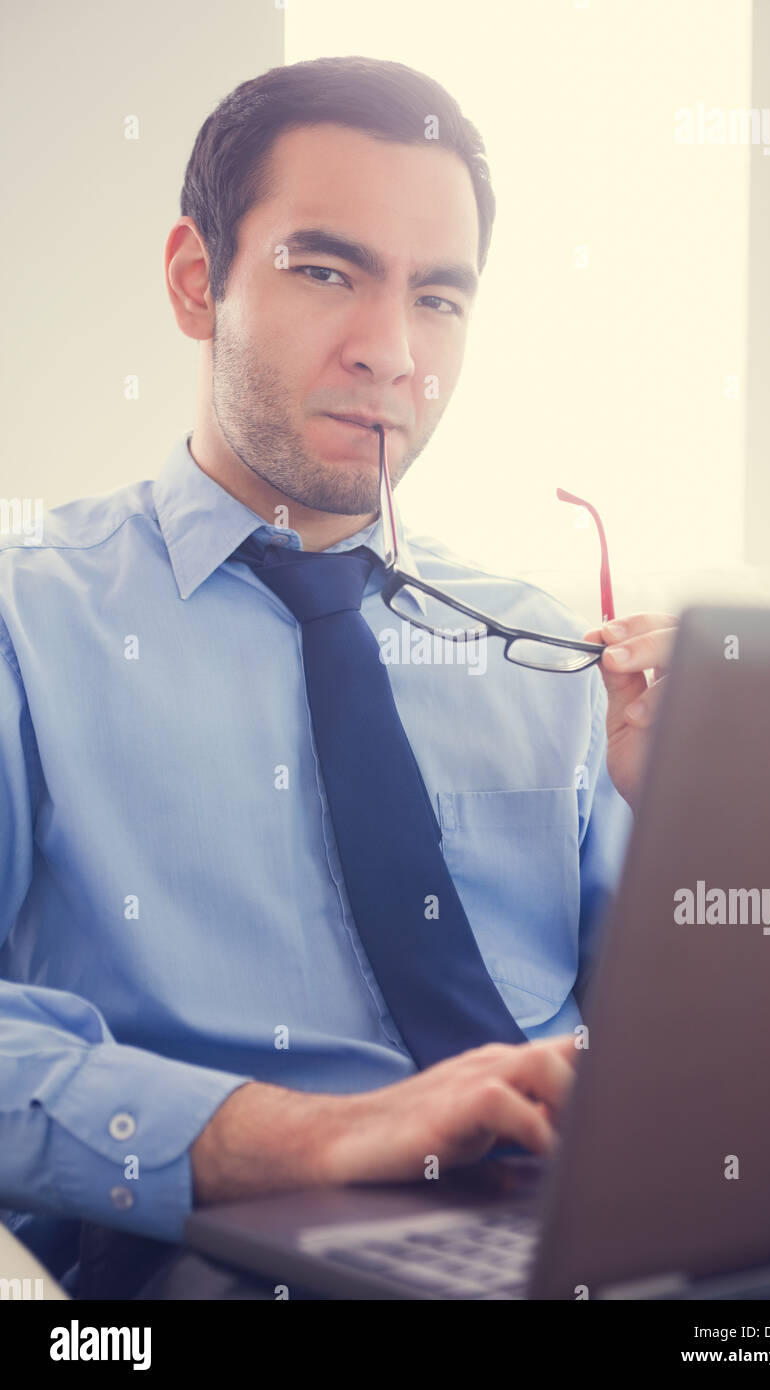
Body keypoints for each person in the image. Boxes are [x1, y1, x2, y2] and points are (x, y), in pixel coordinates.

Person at [0, 56, 678, 1300]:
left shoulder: (544, 653)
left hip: (550, 1243)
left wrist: (703, 825)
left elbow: (701, 1066)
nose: (389, 352)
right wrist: (300, 1136)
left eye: (438, 298)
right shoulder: (25, 620)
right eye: (327, 272)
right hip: (206, 1256)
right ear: (198, 281)